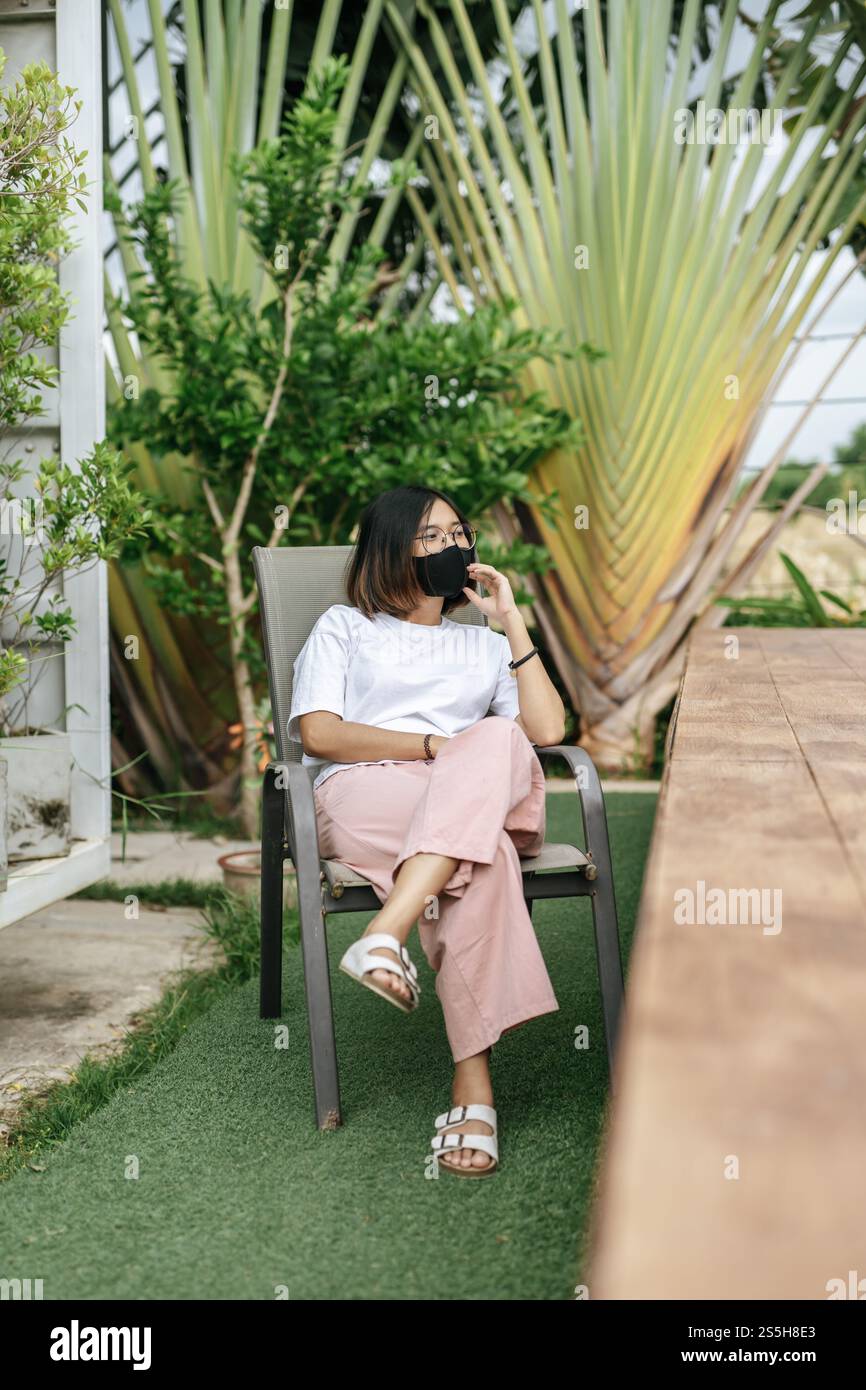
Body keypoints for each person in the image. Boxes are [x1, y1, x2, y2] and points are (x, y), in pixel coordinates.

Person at [288, 485, 566, 1177]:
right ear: (390, 550)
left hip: (458, 800)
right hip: (366, 793)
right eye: (432, 537)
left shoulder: (482, 647)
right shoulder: (345, 627)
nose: (454, 547)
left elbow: (548, 732)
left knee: (500, 739)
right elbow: (318, 732)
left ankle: (387, 933)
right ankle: (473, 1089)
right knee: (486, 850)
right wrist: (436, 748)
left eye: (459, 533)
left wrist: (513, 622)